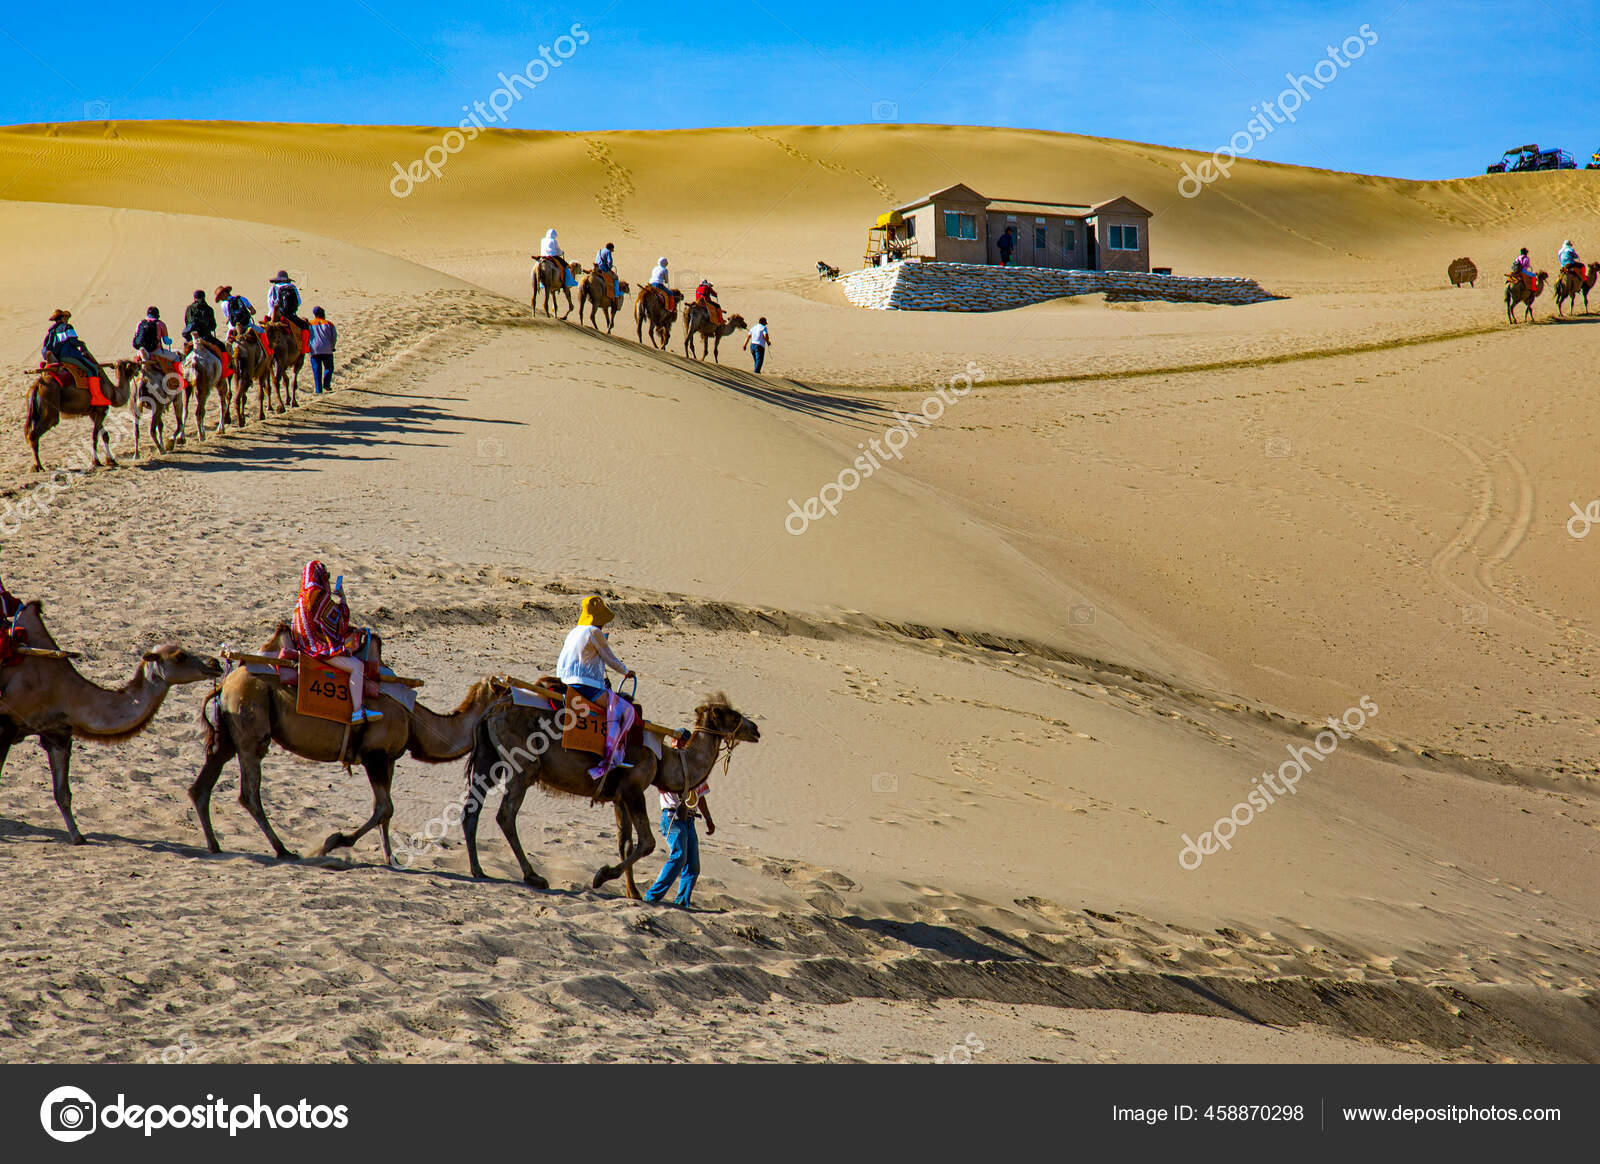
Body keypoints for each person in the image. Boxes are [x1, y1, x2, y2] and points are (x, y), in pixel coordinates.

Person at [555, 595, 637, 779]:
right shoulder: (594, 632)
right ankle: (612, 756)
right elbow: (610, 658)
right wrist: (625, 671)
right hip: (585, 684)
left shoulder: (574, 631)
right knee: (624, 710)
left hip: (564, 680)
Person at [289, 560, 378, 724]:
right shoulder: (318, 597)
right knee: (357, 667)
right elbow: (339, 620)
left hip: (303, 643)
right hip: (315, 647)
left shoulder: (302, 599)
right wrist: (342, 598)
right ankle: (358, 711)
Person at [643, 777, 714, 908]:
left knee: (693, 866)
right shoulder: (671, 768)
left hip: (690, 820)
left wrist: (708, 819)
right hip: (672, 817)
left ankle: (682, 903)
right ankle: (651, 897)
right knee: (679, 856)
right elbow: (661, 786)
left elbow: (700, 798)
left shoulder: (698, 772)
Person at [41, 309, 111, 407]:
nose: (67, 319)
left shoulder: (52, 330)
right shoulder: (67, 327)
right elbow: (73, 341)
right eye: (66, 317)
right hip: (69, 355)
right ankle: (96, 397)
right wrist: (81, 344)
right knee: (93, 369)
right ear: (62, 318)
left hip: (58, 357)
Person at [183, 290, 230, 376]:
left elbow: (187, 323)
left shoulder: (189, 309)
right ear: (204, 297)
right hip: (206, 337)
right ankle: (224, 371)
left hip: (193, 338)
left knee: (184, 354)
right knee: (222, 347)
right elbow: (213, 326)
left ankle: (184, 376)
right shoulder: (209, 309)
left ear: (194, 298)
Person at [266, 269, 310, 334]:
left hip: (274, 316)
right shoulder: (292, 287)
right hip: (291, 317)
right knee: (305, 328)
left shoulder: (272, 288)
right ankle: (304, 344)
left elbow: (270, 304)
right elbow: (299, 302)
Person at [308, 307, 337, 394]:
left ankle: (318, 390)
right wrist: (333, 346)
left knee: (317, 370)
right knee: (329, 367)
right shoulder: (329, 324)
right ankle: (326, 383)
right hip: (327, 349)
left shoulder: (309, 324)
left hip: (314, 349)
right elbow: (334, 336)